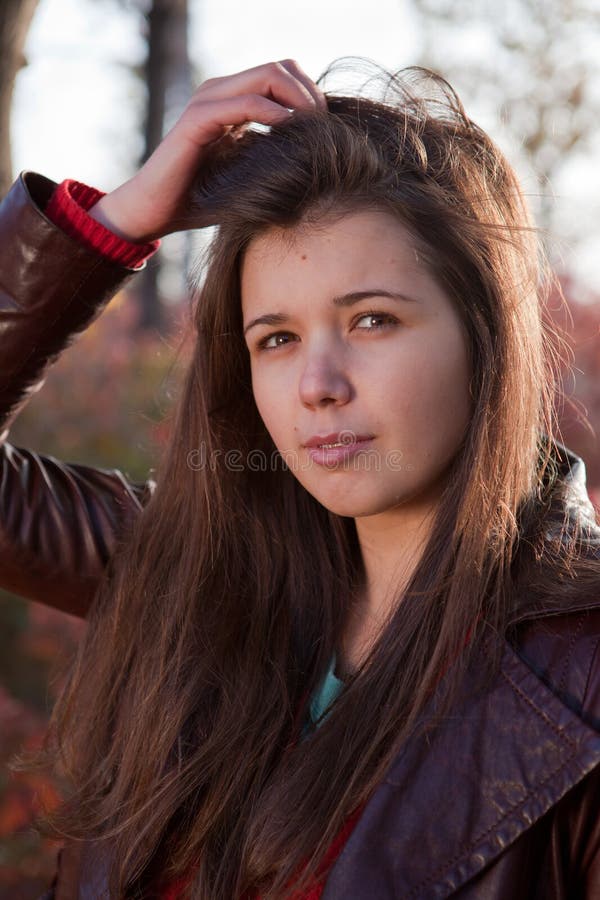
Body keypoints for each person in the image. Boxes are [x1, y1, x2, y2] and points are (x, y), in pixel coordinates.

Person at [1, 58, 600, 899]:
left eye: (372, 320)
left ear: (485, 338)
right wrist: (115, 223)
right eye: (275, 338)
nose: (318, 383)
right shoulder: (196, 574)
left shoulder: (581, 671)